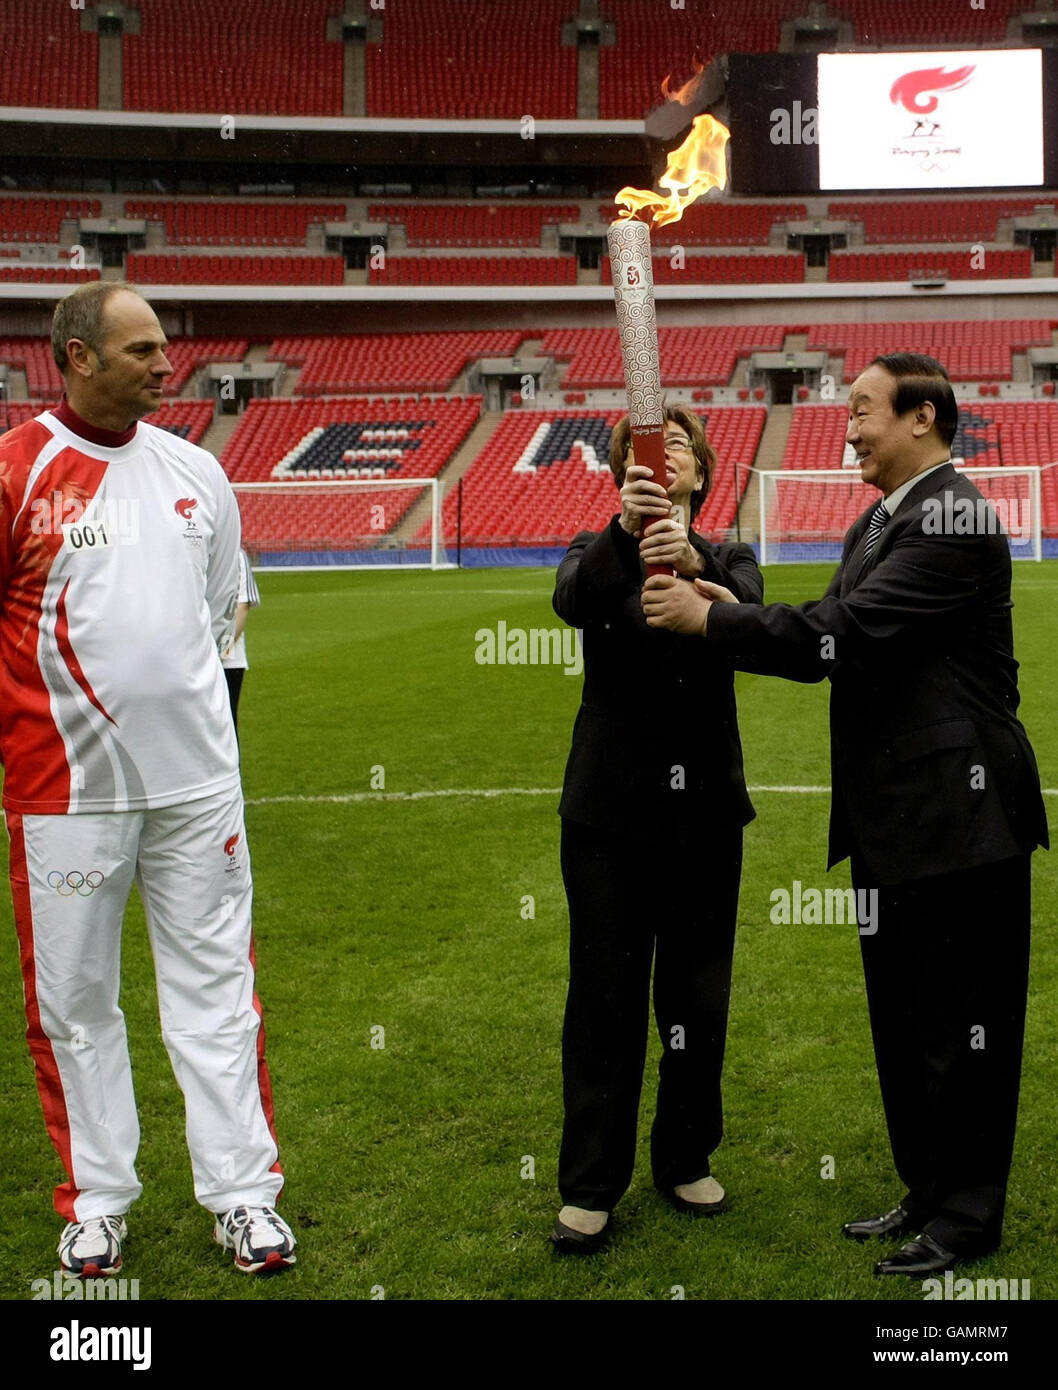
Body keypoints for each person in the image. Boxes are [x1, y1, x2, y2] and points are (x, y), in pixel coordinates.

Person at [642, 354, 1048, 1276]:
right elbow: (831, 613)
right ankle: (929, 1186)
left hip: (961, 815)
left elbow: (846, 635)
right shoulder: (882, 516)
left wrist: (710, 626)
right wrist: (717, 594)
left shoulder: (950, 514)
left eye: (863, 409)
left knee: (964, 1030)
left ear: (924, 417)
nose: (849, 427)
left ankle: (968, 1216)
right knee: (906, 1024)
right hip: (896, 818)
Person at [0, 281, 295, 1277]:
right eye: (139, 350)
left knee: (219, 994)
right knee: (76, 1002)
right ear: (75, 356)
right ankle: (96, 1202)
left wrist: (215, 759)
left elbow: (224, 625)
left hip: (197, 793)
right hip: (64, 792)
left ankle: (244, 1198)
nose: (165, 365)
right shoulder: (16, 470)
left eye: (163, 347)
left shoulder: (199, 472)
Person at [550, 404, 763, 1254]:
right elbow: (573, 601)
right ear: (624, 475)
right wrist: (628, 533)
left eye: (680, 444)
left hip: (706, 812)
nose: (664, 451)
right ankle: (591, 1185)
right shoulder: (591, 550)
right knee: (602, 998)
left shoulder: (733, 554)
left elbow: (746, 613)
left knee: (696, 997)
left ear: (702, 474)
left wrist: (693, 553)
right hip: (607, 815)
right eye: (648, 445)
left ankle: (684, 1156)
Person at [221, 547, 260, 735]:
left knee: (226, 724)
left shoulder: (236, 554)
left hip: (228, 659)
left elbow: (242, 606)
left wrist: (219, 650)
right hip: (192, 656)